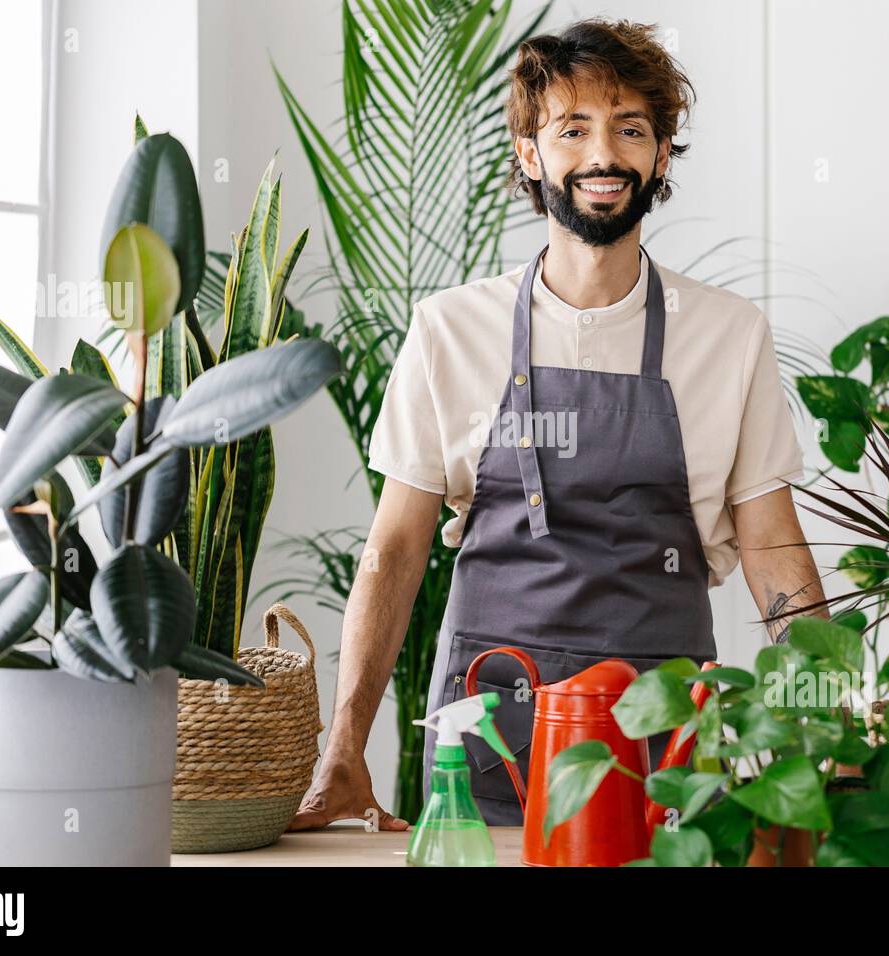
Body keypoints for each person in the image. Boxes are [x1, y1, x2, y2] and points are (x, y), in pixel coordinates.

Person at [290, 17, 828, 830]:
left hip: (667, 747)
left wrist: (822, 728)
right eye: (573, 128)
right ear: (530, 154)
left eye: (631, 129)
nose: (603, 154)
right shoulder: (450, 329)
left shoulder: (728, 333)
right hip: (488, 736)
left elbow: (774, 549)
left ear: (660, 156)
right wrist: (343, 749)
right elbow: (394, 549)